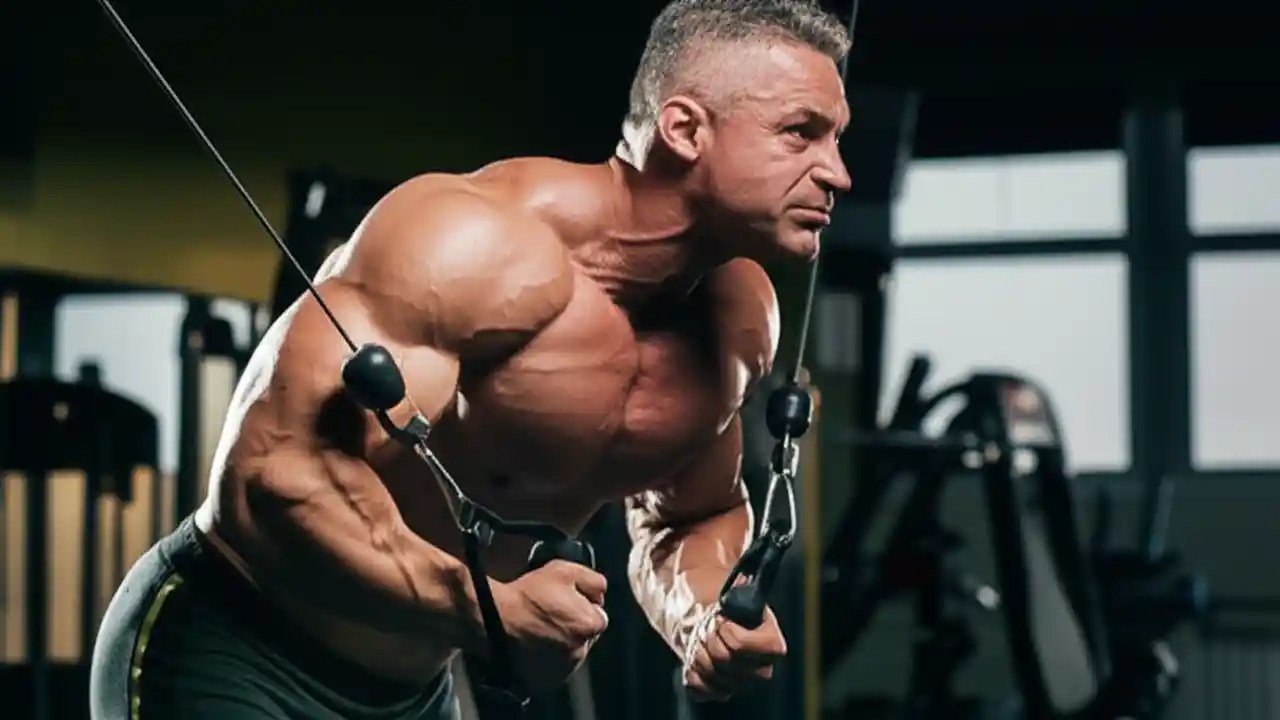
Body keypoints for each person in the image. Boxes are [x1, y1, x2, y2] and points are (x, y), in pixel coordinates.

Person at [89, 0, 852, 717]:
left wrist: (702, 616)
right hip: (235, 645)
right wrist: (489, 604)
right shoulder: (472, 242)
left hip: (412, 688)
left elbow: (695, 513)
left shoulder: (740, 317)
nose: (837, 172)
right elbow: (271, 478)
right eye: (800, 132)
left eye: (836, 139)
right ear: (685, 129)